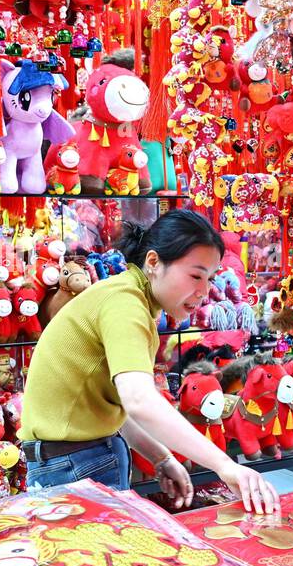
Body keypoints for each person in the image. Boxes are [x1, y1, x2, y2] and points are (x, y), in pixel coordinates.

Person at [19, 209, 279, 512]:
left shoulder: (124, 295)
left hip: (75, 458)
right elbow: (138, 400)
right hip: (76, 464)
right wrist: (225, 466)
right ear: (153, 262)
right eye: (195, 275)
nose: (205, 291)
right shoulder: (125, 304)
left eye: (209, 278)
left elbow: (118, 406)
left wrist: (160, 456)